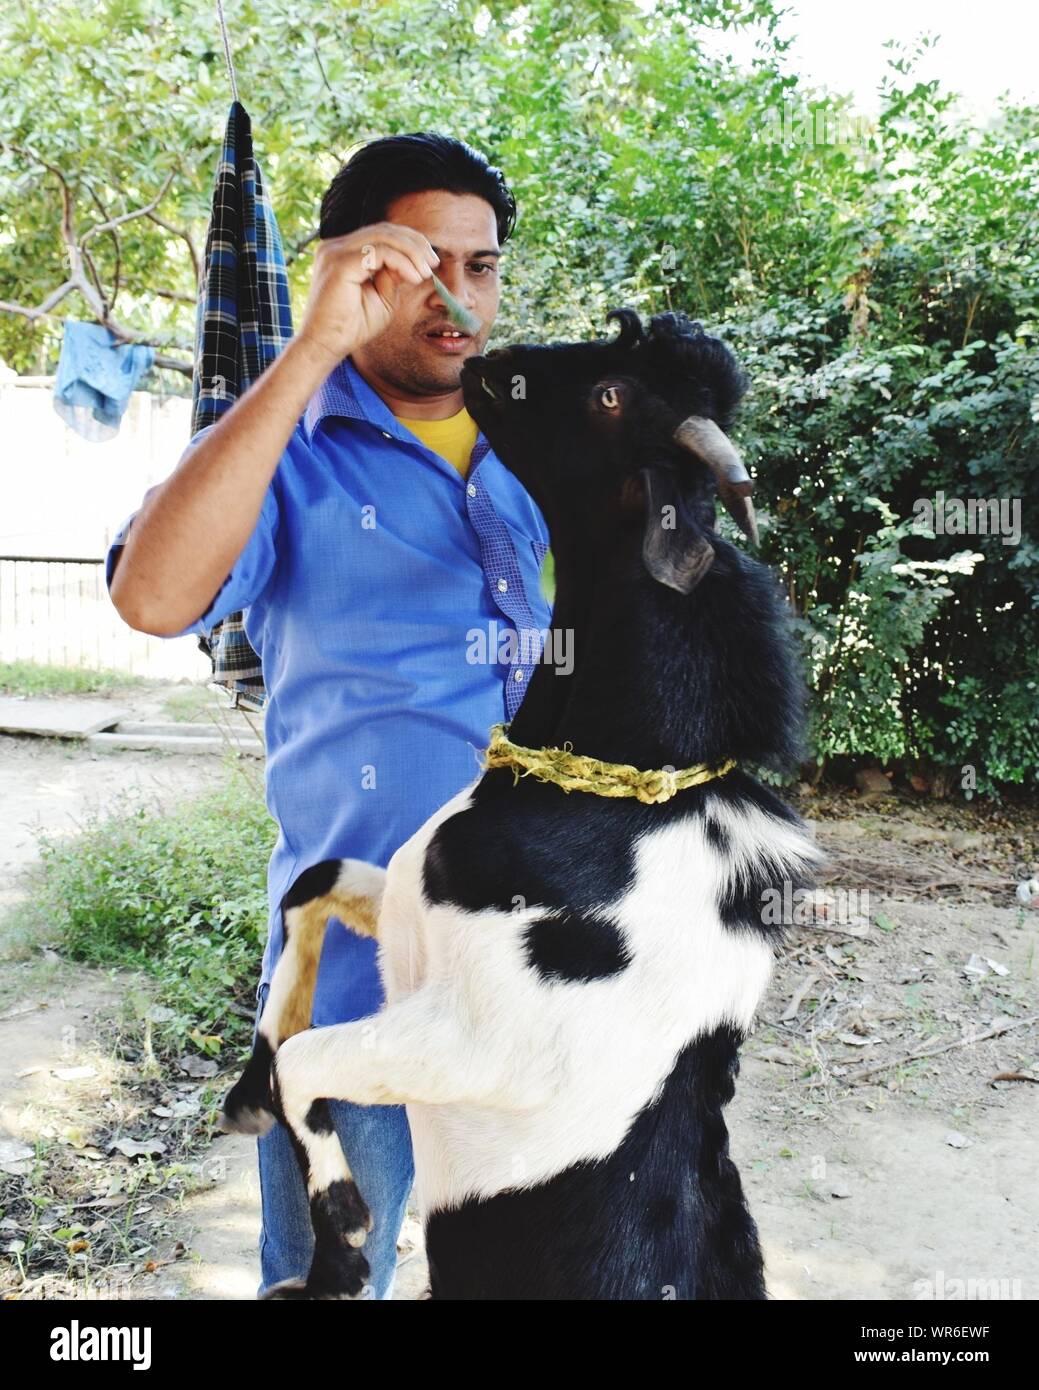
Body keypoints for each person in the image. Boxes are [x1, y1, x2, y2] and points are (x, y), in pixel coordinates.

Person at [106, 133, 551, 1299]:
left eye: (483, 264)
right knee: (325, 1286)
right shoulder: (286, 456)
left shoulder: (543, 446)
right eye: (418, 264)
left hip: (548, 977)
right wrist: (313, 349)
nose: (458, 295)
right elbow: (153, 597)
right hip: (361, 987)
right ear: (350, 268)